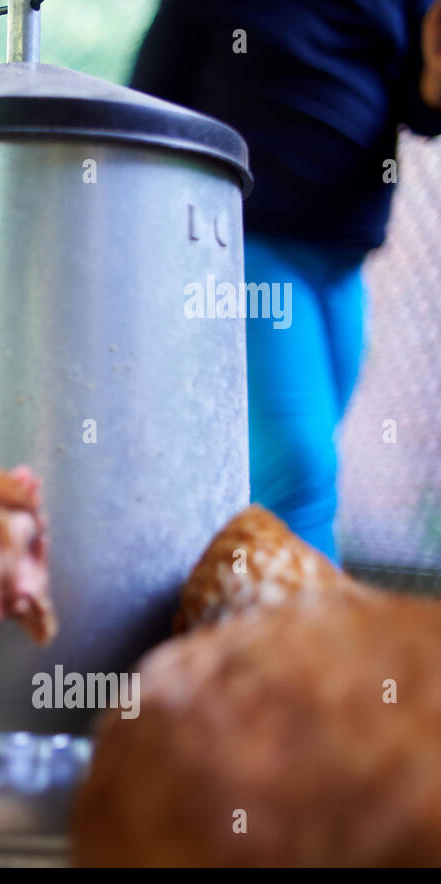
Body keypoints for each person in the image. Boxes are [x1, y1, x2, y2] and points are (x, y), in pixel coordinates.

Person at [131, 0, 441, 562]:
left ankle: (238, 612)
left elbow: (423, 109)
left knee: (292, 461)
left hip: (344, 264)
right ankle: (309, 644)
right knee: (300, 469)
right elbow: (149, 106)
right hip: (244, 247)